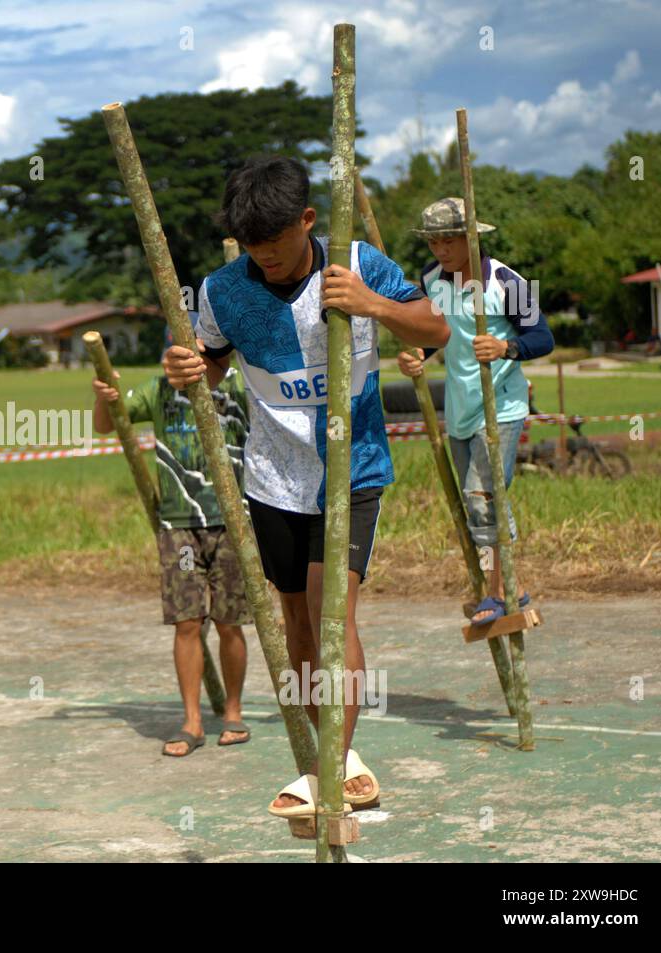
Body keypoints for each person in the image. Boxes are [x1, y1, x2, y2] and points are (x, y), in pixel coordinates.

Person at [163, 155, 450, 817]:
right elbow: (208, 366)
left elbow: (434, 328)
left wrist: (370, 305)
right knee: (294, 622)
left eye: (279, 243)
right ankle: (338, 759)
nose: (267, 257)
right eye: (254, 248)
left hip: (354, 470)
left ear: (308, 219)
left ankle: (323, 770)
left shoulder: (359, 265)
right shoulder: (221, 290)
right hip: (273, 480)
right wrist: (188, 368)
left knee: (330, 615)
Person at [92, 323, 253, 756]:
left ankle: (233, 712)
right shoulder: (159, 391)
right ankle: (192, 721)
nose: (187, 356)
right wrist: (103, 398)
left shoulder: (241, 386)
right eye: (179, 348)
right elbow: (108, 425)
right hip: (178, 525)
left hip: (233, 522)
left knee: (229, 621)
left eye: (197, 348)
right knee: (186, 622)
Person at [397, 198, 554, 624]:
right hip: (460, 408)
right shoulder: (433, 280)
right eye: (434, 243)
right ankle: (505, 588)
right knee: (475, 504)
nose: (441, 251)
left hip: (500, 405)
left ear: (472, 237)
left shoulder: (506, 280)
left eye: (449, 241)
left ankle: (502, 590)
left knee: (484, 494)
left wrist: (507, 347)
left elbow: (543, 336)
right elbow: (438, 334)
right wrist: (418, 354)